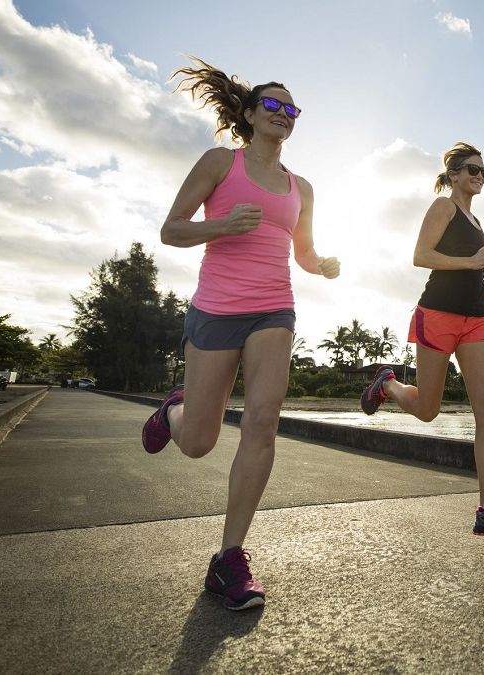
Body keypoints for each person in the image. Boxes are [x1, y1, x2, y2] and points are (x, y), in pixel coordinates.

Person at [140, 58, 340, 610]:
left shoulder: (302, 187)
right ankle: (173, 411)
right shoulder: (218, 163)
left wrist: (321, 263)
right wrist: (222, 226)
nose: (284, 114)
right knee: (199, 442)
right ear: (250, 114)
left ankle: (230, 558)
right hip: (215, 310)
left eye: (291, 108)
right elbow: (172, 229)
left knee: (262, 423)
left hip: (274, 311)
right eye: (273, 105)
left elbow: (301, 251)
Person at [359, 142, 484, 537]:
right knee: (428, 410)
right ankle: (388, 384)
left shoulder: (475, 219)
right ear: (453, 174)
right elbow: (421, 255)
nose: (479, 176)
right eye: (472, 169)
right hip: (436, 315)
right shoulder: (443, 207)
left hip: (475, 321)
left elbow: (458, 264)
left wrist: (479, 283)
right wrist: (471, 263)